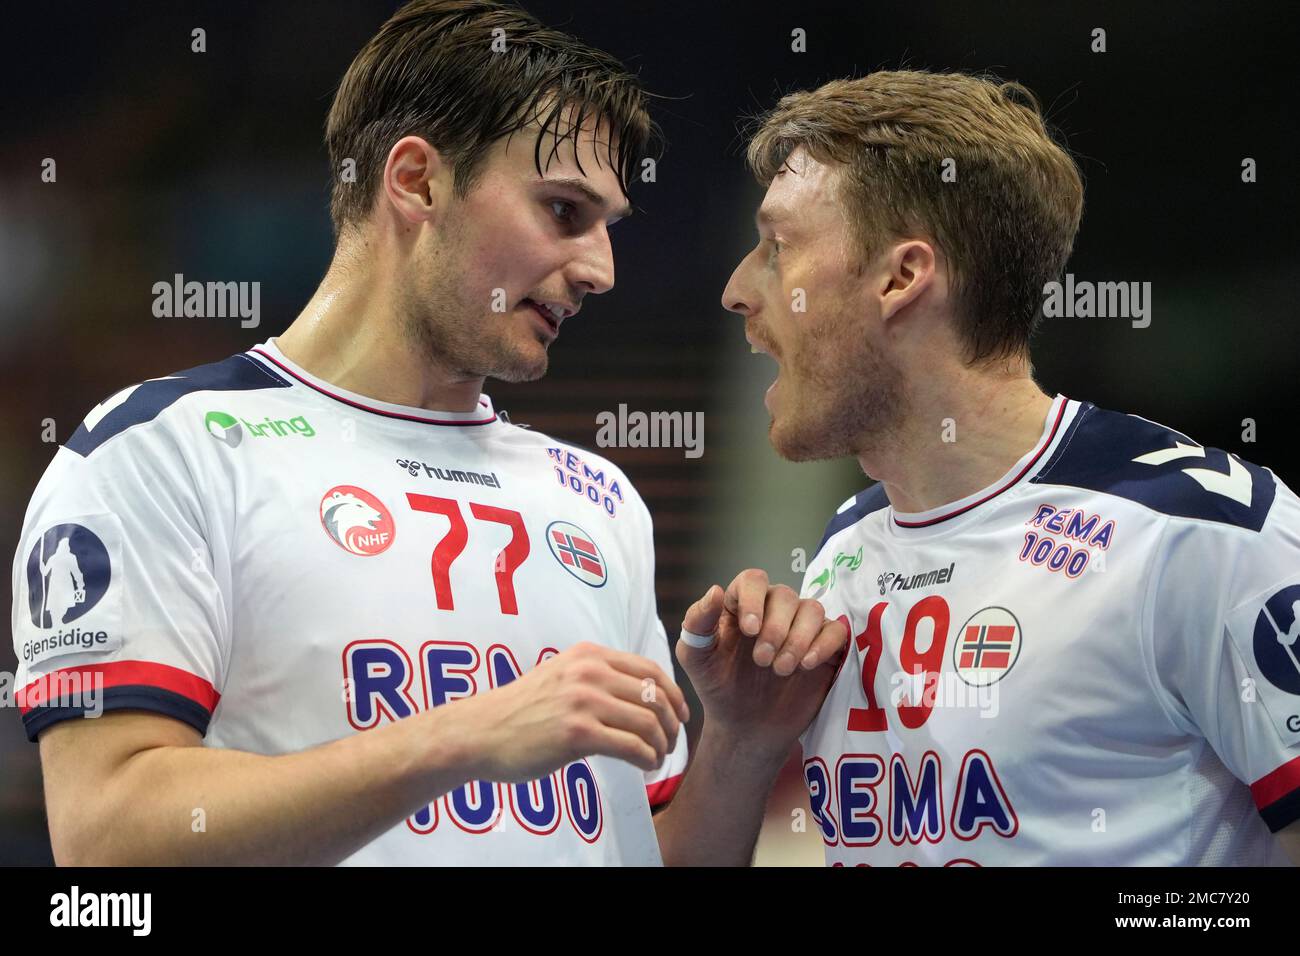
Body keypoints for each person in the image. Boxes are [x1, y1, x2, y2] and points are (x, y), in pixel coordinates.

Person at [10, 0, 841, 866]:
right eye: (563, 211)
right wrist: (463, 736)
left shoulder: (598, 502)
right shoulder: (162, 453)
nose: (600, 269)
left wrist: (743, 740)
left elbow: (648, 851)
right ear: (415, 182)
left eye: (608, 227)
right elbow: (107, 840)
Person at [677, 69, 1300, 865]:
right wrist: (739, 737)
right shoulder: (847, 550)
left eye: (777, 247)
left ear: (901, 278)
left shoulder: (1202, 531)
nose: (736, 290)